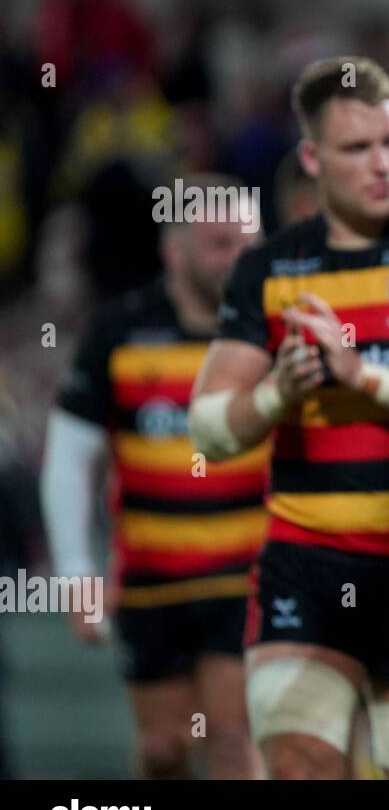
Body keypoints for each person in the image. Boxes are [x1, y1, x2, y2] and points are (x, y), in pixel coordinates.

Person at [189, 57, 389, 780]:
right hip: (306, 563)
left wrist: (358, 372)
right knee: (299, 766)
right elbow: (209, 428)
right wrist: (276, 392)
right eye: (357, 148)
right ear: (313, 158)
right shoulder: (269, 269)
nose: (382, 164)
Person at [42, 180, 263, 778]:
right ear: (174, 251)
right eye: (220, 244)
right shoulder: (119, 332)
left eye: (250, 243)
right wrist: (76, 574)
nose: (240, 260)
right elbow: (68, 458)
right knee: (164, 749)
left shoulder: (273, 329)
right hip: (150, 582)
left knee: (232, 736)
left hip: (244, 578)